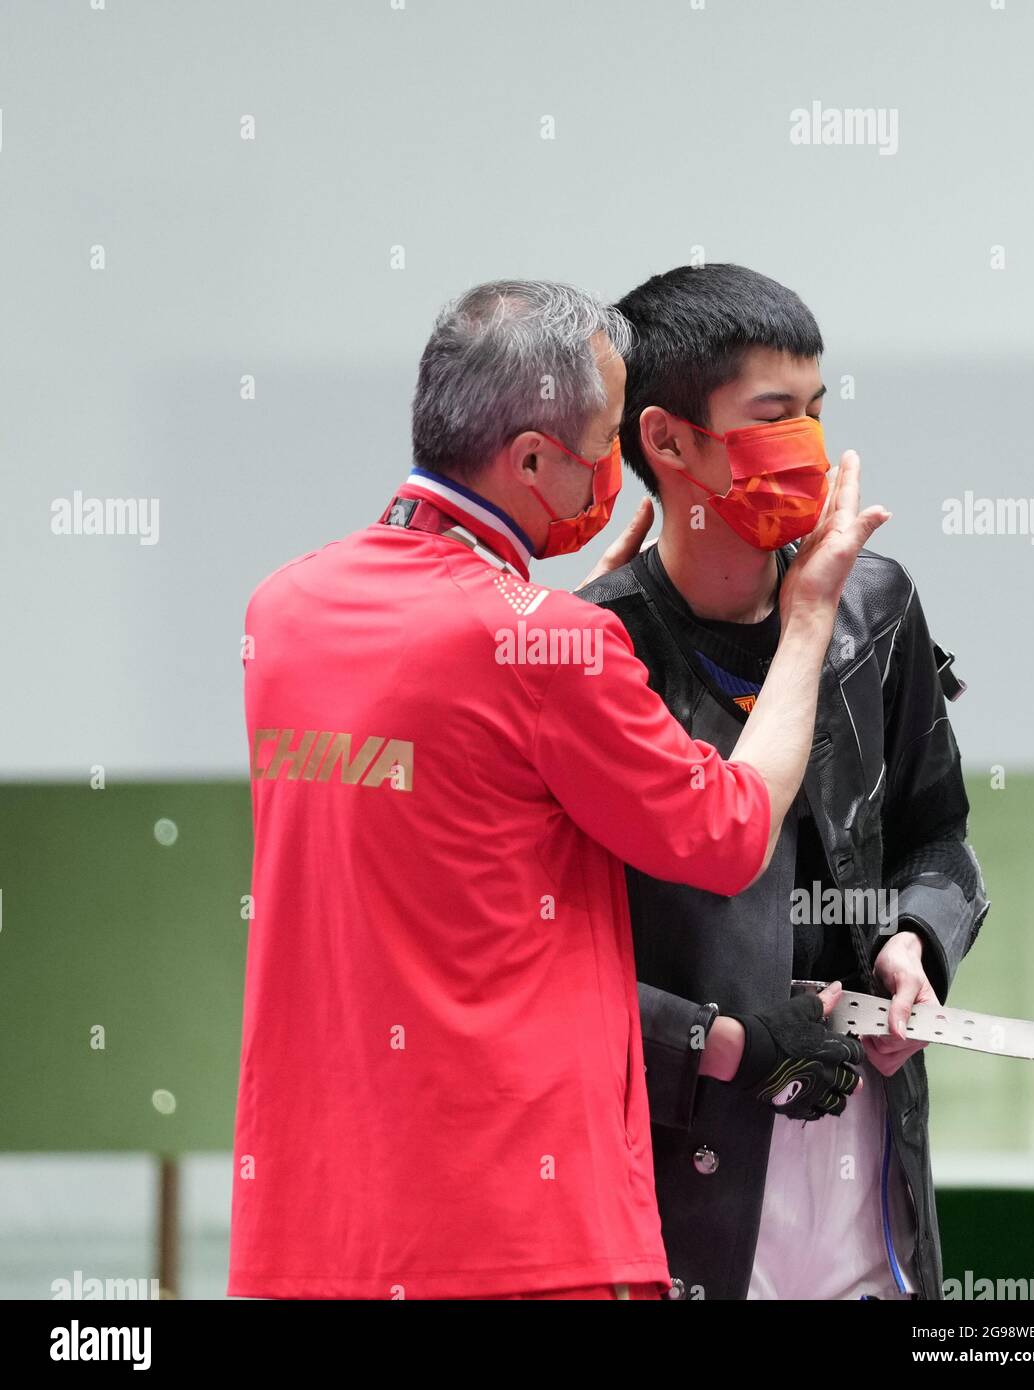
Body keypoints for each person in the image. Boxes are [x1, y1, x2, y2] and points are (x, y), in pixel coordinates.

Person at [227, 279, 886, 1300]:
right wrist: (806, 620)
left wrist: (544, 623)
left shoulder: (284, 611)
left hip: (309, 1234)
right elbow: (731, 828)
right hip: (514, 1239)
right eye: (604, 444)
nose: (617, 474)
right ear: (531, 459)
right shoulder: (552, 651)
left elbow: (456, 769)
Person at [578, 263, 989, 1301]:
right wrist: (713, 1044)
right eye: (774, 417)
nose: (810, 448)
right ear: (665, 441)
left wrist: (913, 938)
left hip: (868, 1160)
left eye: (817, 410)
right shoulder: (589, 651)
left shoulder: (876, 607)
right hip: (682, 1181)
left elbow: (938, 835)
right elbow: (545, 970)